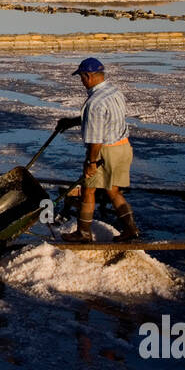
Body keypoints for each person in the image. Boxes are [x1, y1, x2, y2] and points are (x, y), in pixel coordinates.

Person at [55, 57, 140, 242]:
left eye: (81, 77)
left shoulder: (94, 103)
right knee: (113, 191)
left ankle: (83, 233)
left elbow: (95, 140)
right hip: (123, 147)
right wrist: (72, 122)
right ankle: (130, 229)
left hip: (105, 152)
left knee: (88, 190)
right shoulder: (114, 92)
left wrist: (91, 162)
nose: (81, 81)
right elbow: (105, 119)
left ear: (88, 76)